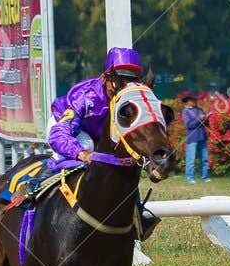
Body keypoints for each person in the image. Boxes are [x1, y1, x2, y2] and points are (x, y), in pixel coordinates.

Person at [47, 47, 158, 238]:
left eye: (132, 81)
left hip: (101, 137)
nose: (125, 87)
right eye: (120, 80)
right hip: (67, 129)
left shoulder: (131, 102)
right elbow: (59, 134)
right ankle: (42, 202)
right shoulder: (85, 97)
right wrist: (80, 153)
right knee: (88, 145)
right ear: (105, 77)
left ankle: (137, 214)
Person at [181, 93, 211, 183]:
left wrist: (206, 118)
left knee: (204, 159)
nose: (195, 101)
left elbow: (206, 124)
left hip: (202, 137)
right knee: (191, 160)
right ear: (188, 101)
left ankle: (204, 177)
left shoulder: (200, 110)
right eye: (193, 100)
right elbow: (189, 125)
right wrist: (199, 118)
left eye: (196, 100)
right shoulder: (185, 111)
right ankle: (190, 178)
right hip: (192, 138)